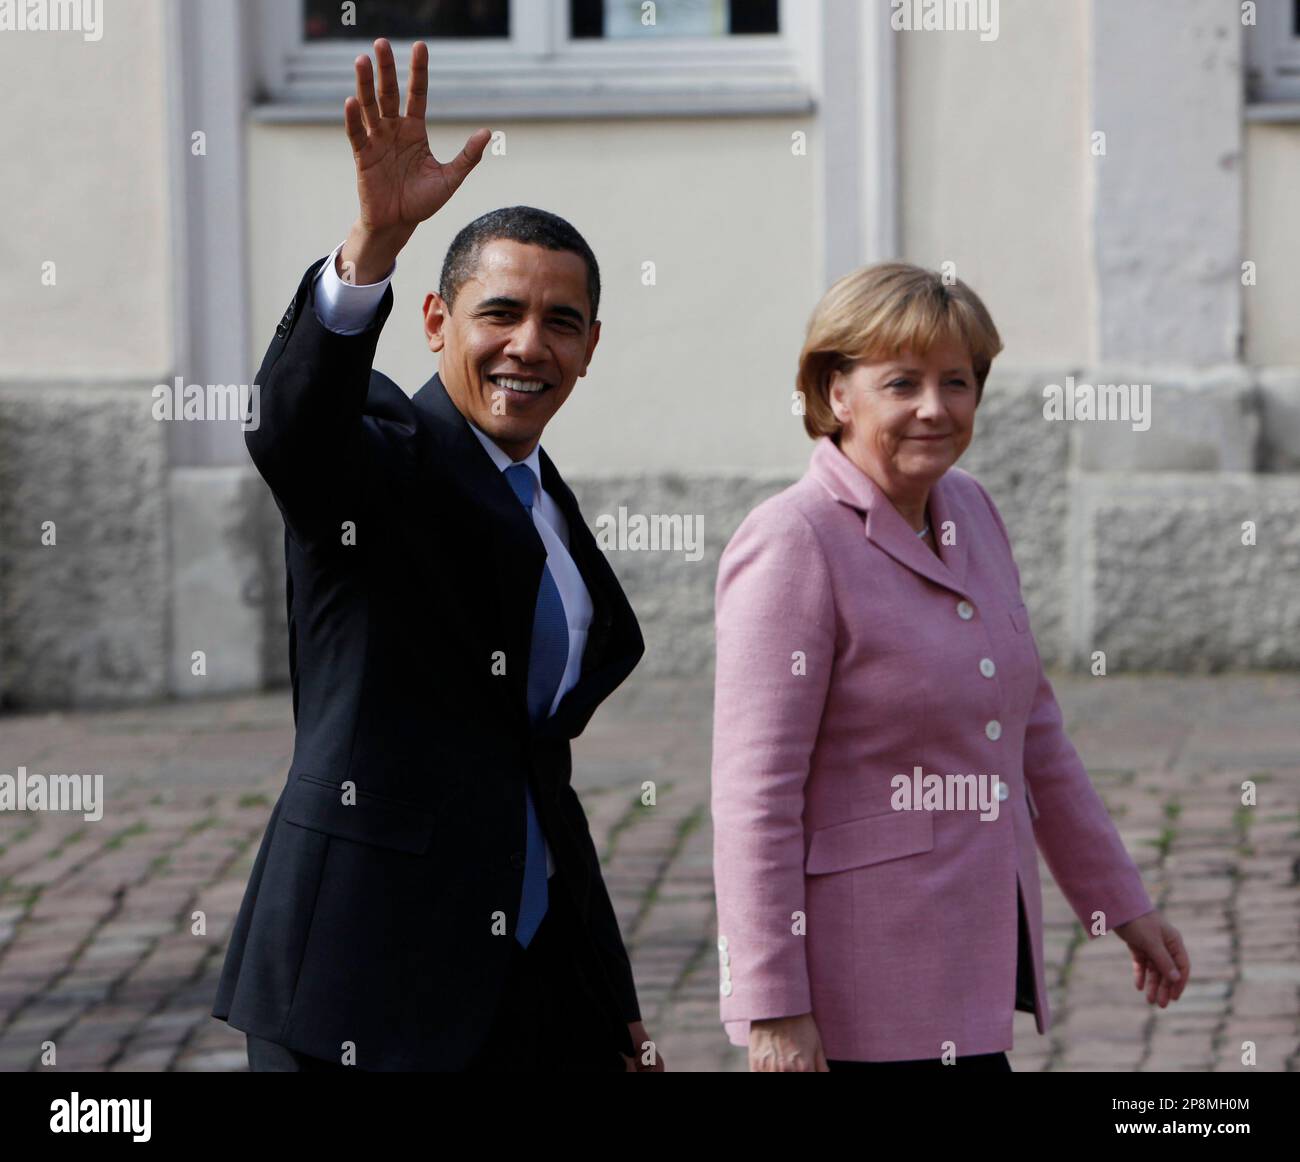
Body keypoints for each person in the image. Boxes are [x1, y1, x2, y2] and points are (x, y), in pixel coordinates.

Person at [211, 39, 663, 1072]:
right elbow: (292, 429)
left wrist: (608, 989)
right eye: (498, 313)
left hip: (535, 977)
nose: (528, 344)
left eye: (561, 322)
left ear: (591, 346)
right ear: (434, 321)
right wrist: (370, 244)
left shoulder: (549, 504)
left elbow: (533, 769)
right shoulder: (379, 455)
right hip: (363, 976)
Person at [710, 262, 1190, 1071]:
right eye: (902, 383)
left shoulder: (970, 507)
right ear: (836, 393)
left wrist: (1119, 905)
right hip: (857, 997)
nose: (936, 408)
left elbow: (1035, 736)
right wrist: (772, 1009)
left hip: (969, 974)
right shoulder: (793, 539)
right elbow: (753, 798)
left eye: (957, 382)